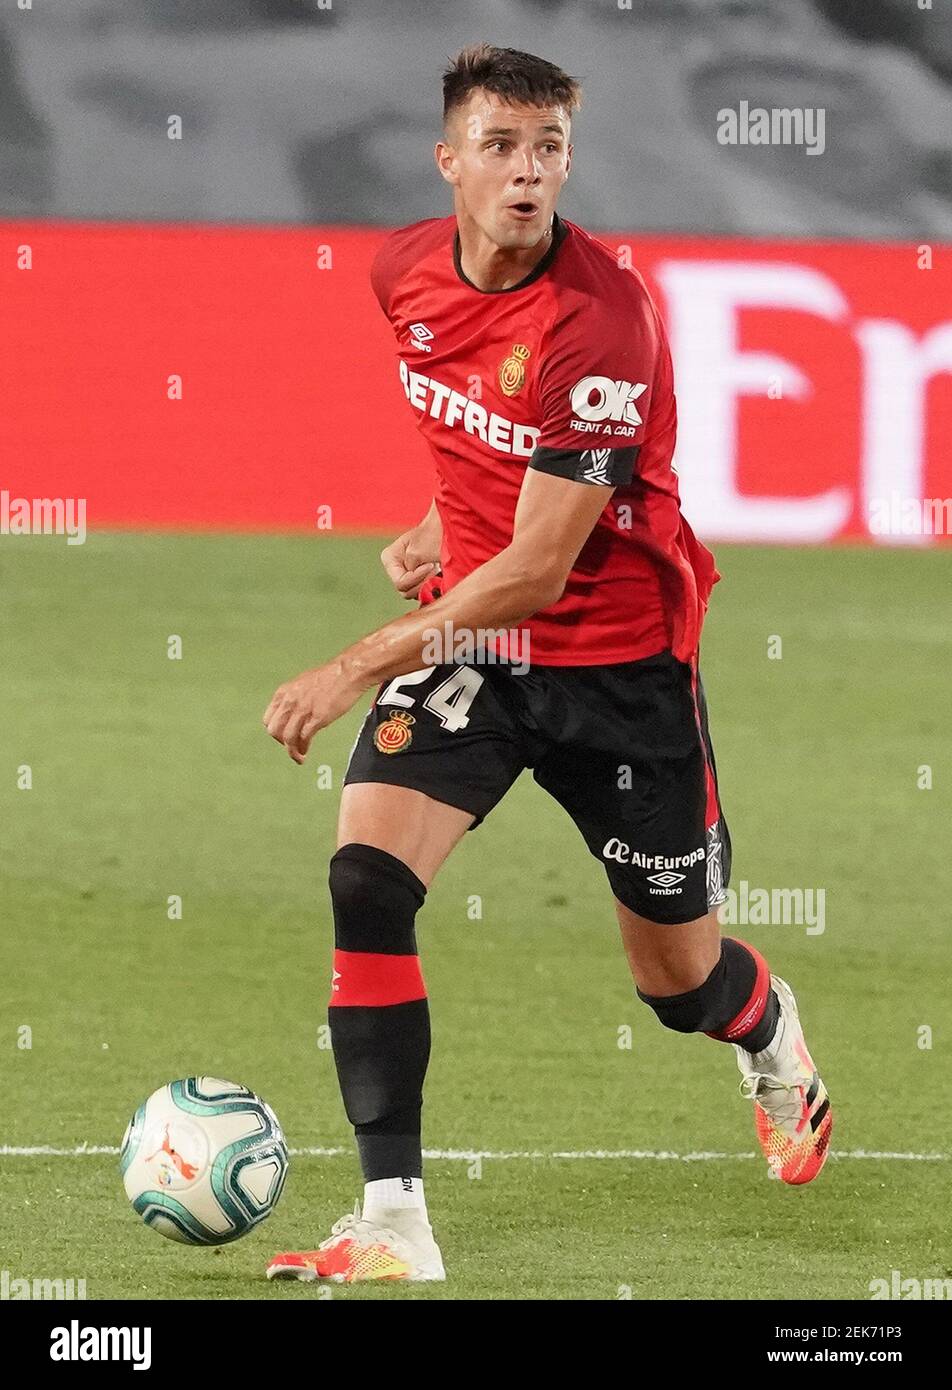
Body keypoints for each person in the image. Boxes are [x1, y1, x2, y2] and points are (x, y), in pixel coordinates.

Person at [263, 43, 832, 1285]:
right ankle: (396, 1218)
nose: (528, 175)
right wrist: (440, 514)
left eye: (550, 150)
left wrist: (353, 661)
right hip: (480, 654)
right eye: (503, 147)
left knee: (676, 980)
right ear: (449, 159)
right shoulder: (400, 269)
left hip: (616, 671)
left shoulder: (601, 320)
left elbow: (538, 570)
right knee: (366, 876)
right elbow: (470, 424)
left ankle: (766, 1025)